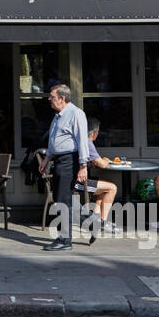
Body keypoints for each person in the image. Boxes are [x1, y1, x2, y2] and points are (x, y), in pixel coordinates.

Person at [38, 83, 89, 250]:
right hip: (59, 160)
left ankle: (64, 240)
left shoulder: (76, 114)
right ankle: (92, 223)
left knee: (62, 201)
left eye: (52, 97)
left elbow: (82, 141)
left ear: (62, 98)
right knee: (64, 199)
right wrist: (47, 159)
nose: (49, 100)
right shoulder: (58, 115)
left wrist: (83, 166)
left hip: (70, 160)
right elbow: (54, 140)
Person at [81, 117, 120, 234]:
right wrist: (106, 160)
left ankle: (96, 219)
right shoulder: (88, 143)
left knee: (106, 185)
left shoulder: (83, 141)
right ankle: (103, 223)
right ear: (94, 133)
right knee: (112, 187)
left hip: (77, 179)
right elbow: (102, 164)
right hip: (79, 182)